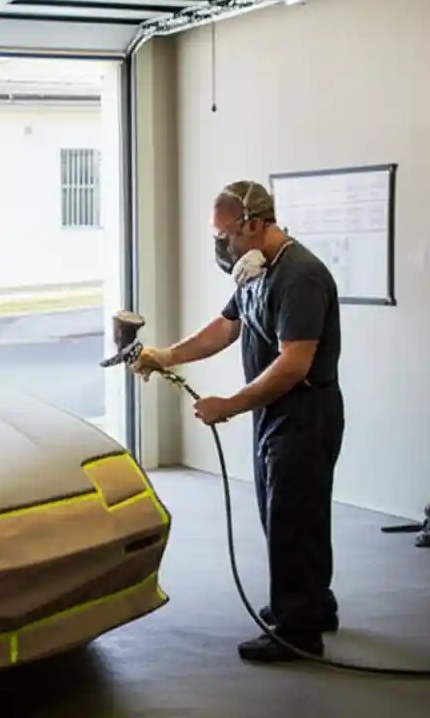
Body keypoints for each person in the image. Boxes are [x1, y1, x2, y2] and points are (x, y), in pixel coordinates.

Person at [131, 180, 343, 662]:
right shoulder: (255, 274)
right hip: (275, 414)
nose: (220, 246)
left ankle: (299, 630)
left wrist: (229, 405)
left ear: (253, 224)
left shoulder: (300, 276)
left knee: (294, 516)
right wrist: (166, 355)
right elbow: (225, 328)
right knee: (284, 512)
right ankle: (312, 603)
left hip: (305, 412)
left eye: (223, 236)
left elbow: (294, 364)